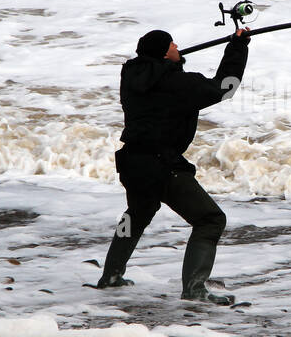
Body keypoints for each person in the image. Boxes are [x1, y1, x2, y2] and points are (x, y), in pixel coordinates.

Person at [94, 26, 250, 304]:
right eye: (172, 44)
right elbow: (225, 87)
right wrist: (238, 47)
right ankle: (194, 289)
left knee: (136, 215)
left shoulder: (131, 76)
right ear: (164, 53)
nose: (177, 45)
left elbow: (157, 73)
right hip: (160, 165)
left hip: (132, 162)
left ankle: (111, 276)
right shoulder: (176, 84)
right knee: (210, 220)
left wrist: (171, 63)